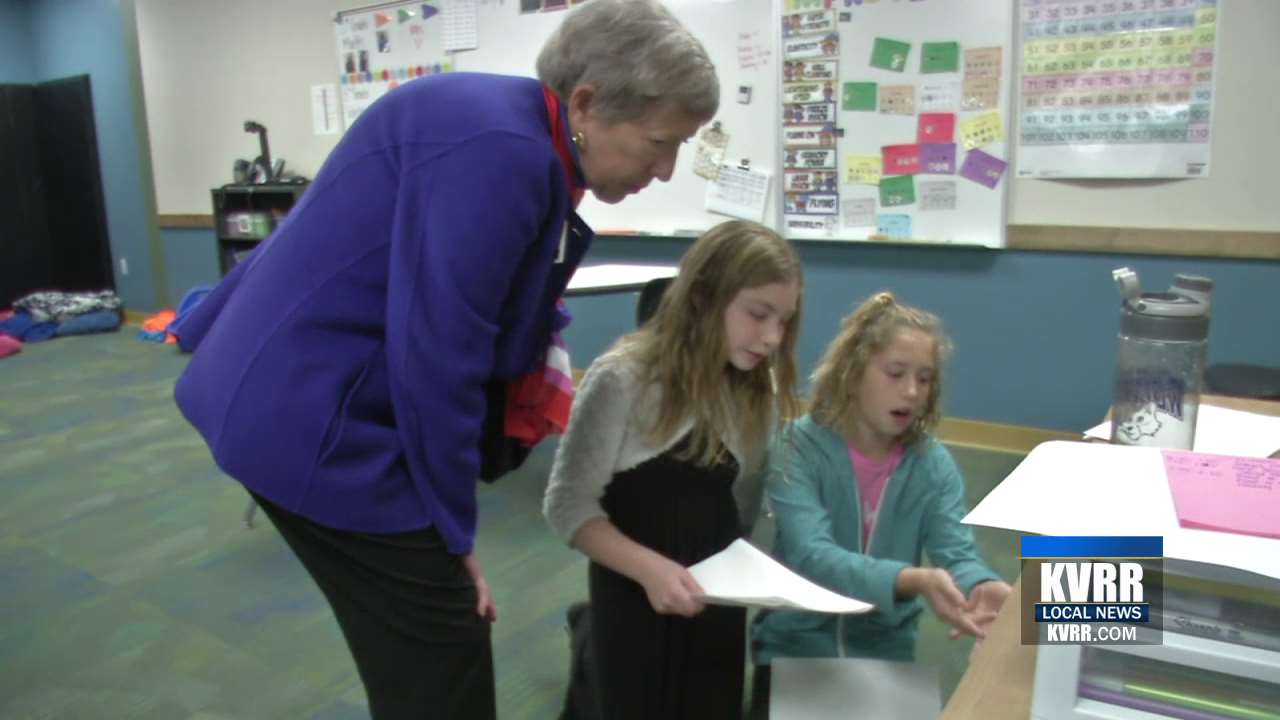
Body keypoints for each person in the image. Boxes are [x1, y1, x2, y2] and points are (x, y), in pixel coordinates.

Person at [171, 1, 720, 717]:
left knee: (423, 649)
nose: (666, 167)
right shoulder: (508, 154)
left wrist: (202, 326)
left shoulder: (492, 113)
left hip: (274, 389)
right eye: (659, 142)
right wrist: (452, 532)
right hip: (315, 421)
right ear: (586, 103)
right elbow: (440, 357)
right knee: (443, 650)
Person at [543, 220, 804, 720]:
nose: (772, 337)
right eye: (758, 314)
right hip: (634, 596)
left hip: (711, 603)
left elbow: (741, 509)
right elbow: (567, 506)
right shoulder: (623, 379)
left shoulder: (752, 390)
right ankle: (586, 642)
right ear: (704, 298)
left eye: (784, 321)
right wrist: (651, 570)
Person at [748, 292, 1012, 712]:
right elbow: (812, 556)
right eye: (895, 373)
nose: (911, 391)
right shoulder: (798, 446)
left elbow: (955, 553)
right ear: (852, 374)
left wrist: (980, 584)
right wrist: (912, 579)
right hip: (797, 649)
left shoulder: (932, 464)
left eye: (924, 379)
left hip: (886, 654)